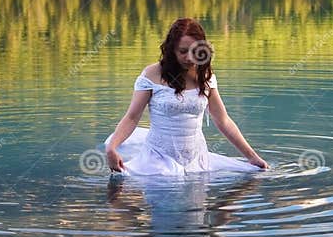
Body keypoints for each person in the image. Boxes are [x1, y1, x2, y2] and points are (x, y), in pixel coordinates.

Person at [104, 17, 270, 177]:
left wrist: (252, 156)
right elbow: (132, 117)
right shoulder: (151, 75)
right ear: (171, 50)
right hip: (157, 161)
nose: (190, 58)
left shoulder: (205, 76)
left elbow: (223, 120)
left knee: (249, 178)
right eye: (183, 51)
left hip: (198, 161)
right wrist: (112, 148)